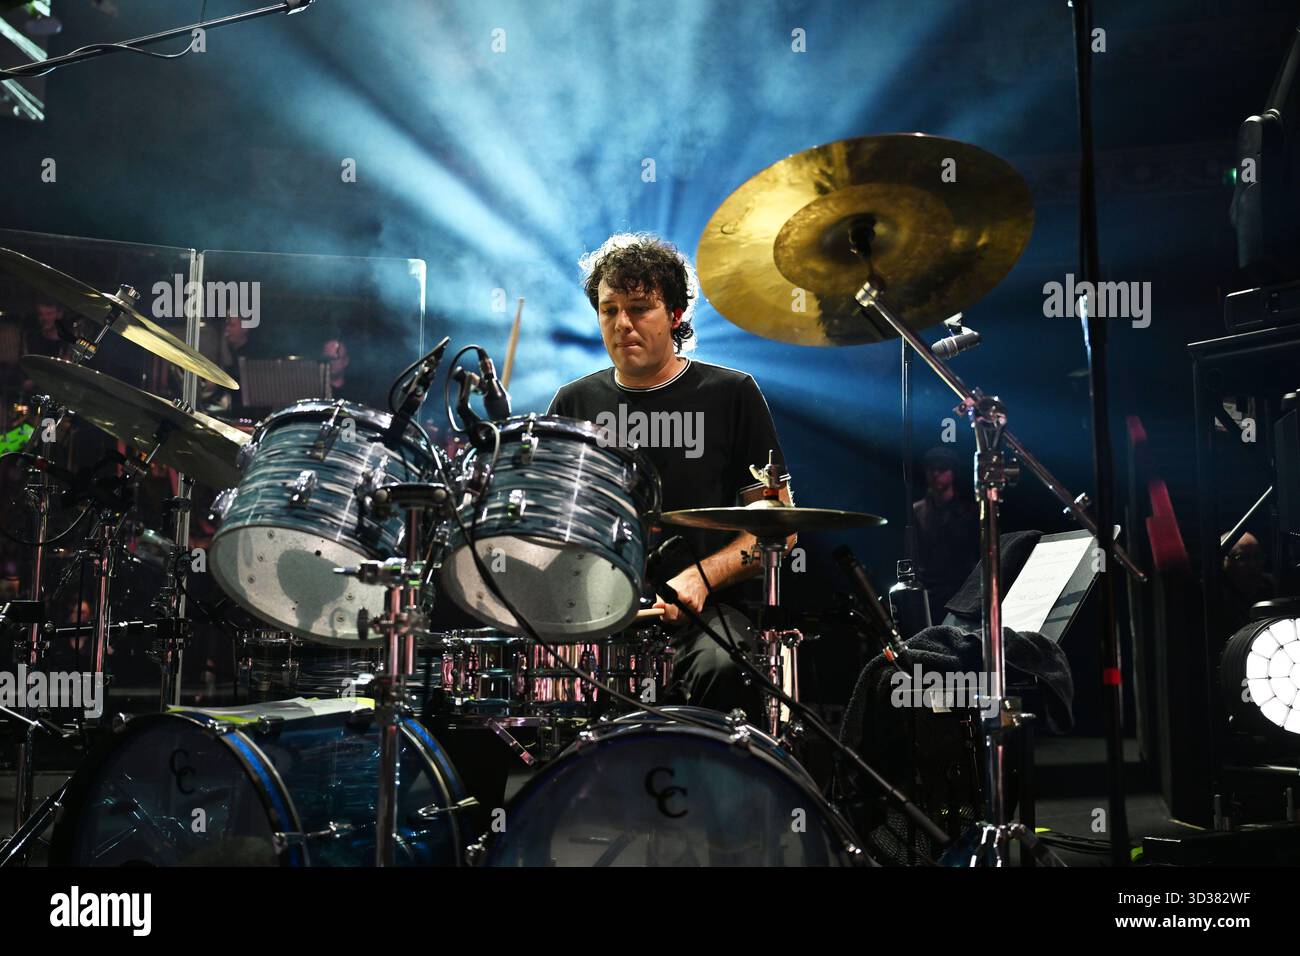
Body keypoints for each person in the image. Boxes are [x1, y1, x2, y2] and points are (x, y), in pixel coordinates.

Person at [547, 233, 794, 722]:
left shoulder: (731, 394)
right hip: (600, 618)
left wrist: (703, 576)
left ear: (676, 315)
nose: (622, 324)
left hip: (711, 616)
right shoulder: (574, 404)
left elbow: (778, 528)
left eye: (639, 308)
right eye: (609, 309)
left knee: (723, 668)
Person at [912, 445, 980, 620]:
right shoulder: (916, 511)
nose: (935, 474)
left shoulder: (970, 512)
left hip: (962, 591)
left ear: (952, 472)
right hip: (929, 593)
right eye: (931, 469)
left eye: (941, 469)